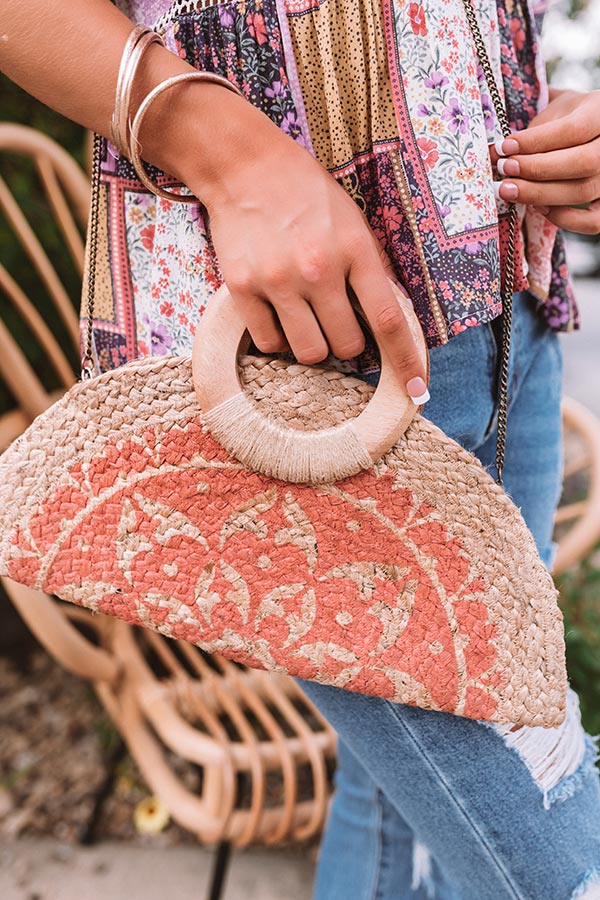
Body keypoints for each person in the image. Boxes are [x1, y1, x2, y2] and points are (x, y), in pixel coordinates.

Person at [2, 0, 600, 896]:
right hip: (288, 355)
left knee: (393, 799)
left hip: (511, 299)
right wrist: (232, 155)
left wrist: (567, 111)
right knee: (561, 862)